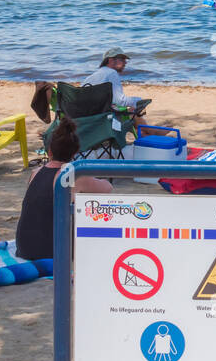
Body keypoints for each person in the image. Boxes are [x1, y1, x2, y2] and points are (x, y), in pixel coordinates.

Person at [15, 117, 111, 261]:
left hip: (24, 247)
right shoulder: (72, 175)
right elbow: (108, 188)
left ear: (49, 151)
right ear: (74, 153)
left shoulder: (36, 172)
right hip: (50, 252)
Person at [84, 48, 144, 112]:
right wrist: (139, 100)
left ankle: (127, 118)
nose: (125, 62)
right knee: (134, 111)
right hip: (106, 117)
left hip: (92, 114)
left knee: (124, 110)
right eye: (122, 59)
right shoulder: (112, 73)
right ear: (110, 60)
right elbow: (120, 101)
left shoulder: (89, 78)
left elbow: (111, 103)